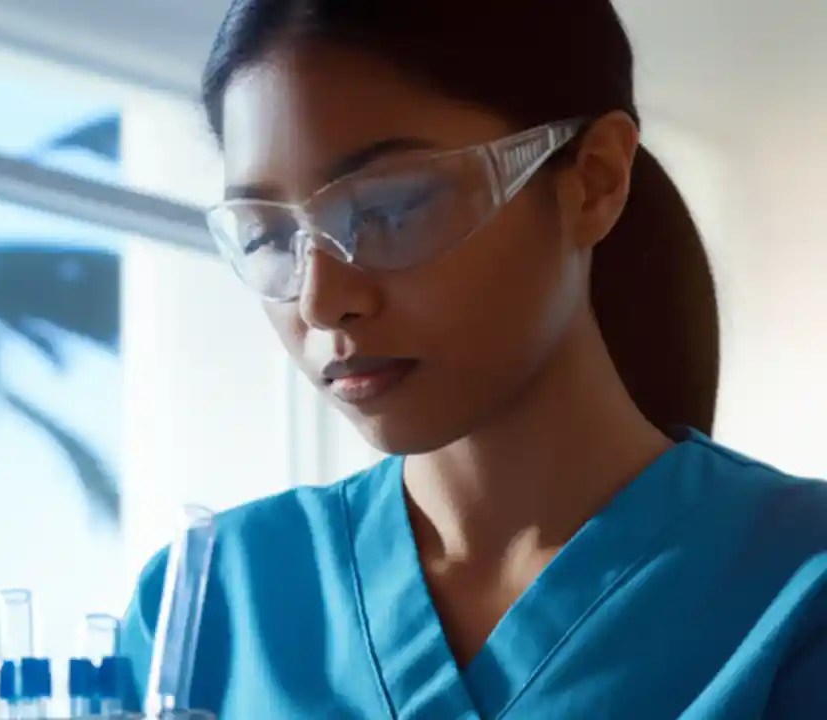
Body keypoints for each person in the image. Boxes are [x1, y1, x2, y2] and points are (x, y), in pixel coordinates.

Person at [118, 0, 827, 717]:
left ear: (595, 180)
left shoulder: (800, 586)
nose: (321, 301)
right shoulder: (207, 608)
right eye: (269, 237)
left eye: (390, 210)